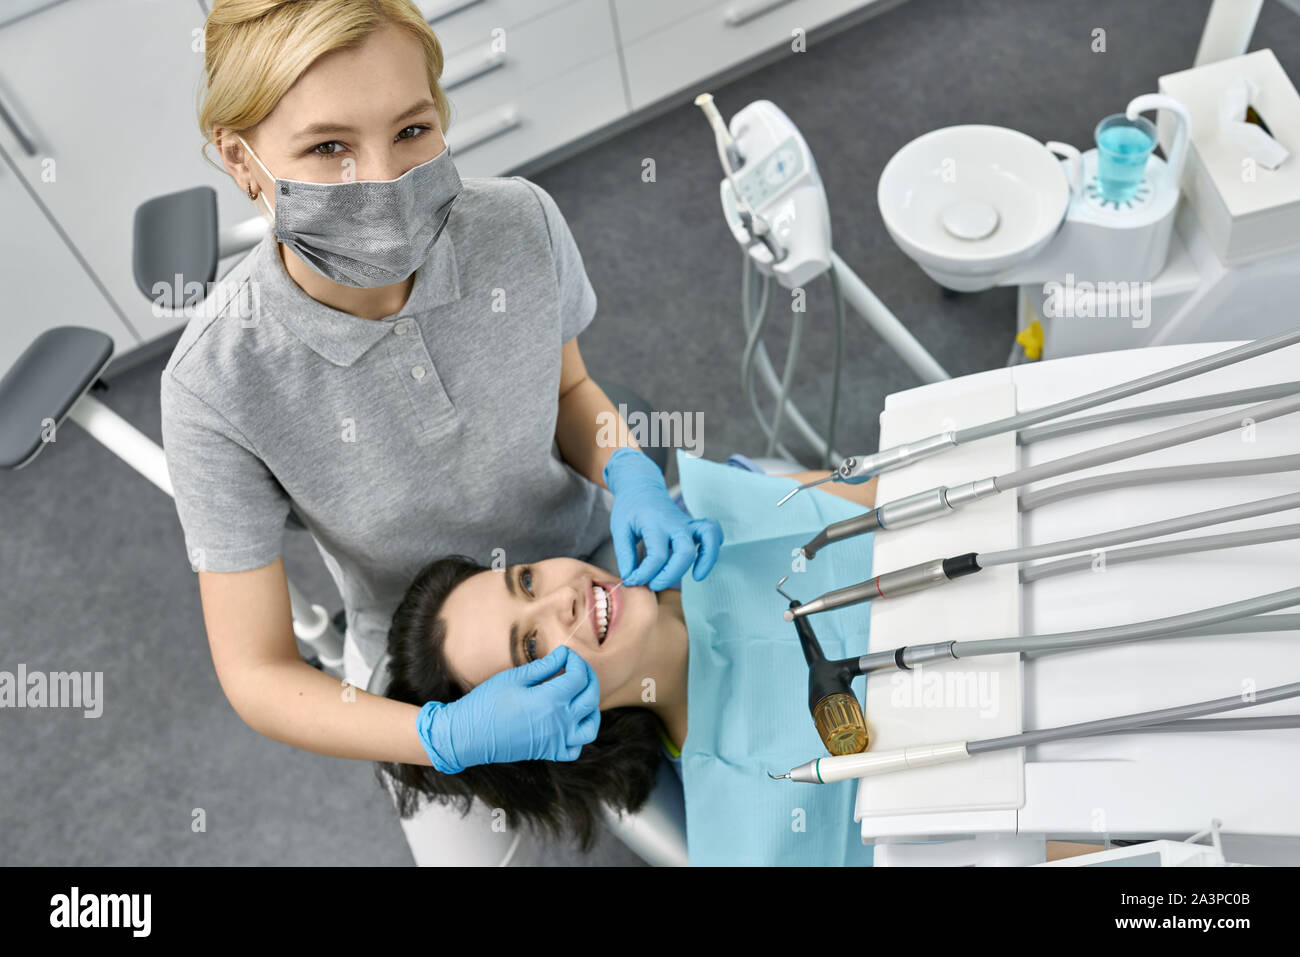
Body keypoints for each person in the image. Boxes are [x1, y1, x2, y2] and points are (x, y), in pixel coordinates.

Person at [161, 0, 721, 862]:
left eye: (413, 129)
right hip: (423, 661)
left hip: (584, 550)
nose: (382, 180)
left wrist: (631, 472)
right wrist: (442, 736)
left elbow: (572, 387)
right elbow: (258, 673)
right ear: (243, 160)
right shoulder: (214, 385)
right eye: (328, 147)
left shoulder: (518, 223)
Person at [376, 460, 880, 851]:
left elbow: (906, 492)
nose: (561, 599)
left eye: (527, 581)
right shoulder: (745, 814)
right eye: (530, 646)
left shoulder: (713, 512)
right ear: (544, 724)